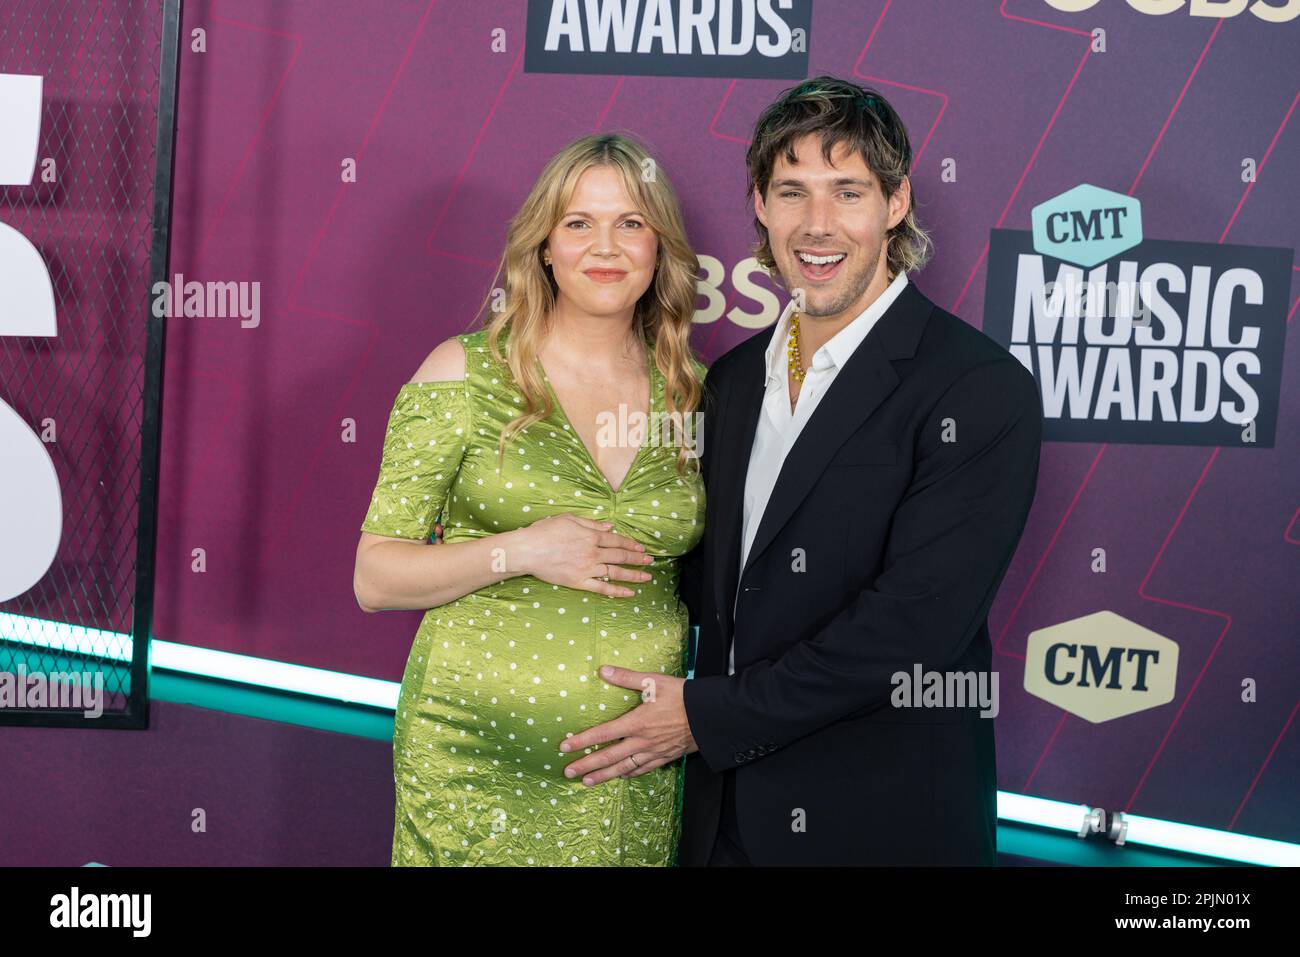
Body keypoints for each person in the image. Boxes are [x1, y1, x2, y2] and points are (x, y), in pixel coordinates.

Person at [558, 76, 1043, 866]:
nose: (817, 226)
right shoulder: (732, 379)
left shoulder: (978, 388)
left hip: (877, 825)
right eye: (792, 192)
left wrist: (705, 718)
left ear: (895, 203)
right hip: (720, 824)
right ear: (759, 204)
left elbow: (911, 631)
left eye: (847, 191)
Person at [352, 133, 708, 865]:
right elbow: (375, 577)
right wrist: (523, 548)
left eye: (631, 223)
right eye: (579, 223)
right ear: (544, 246)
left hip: (631, 765)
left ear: (659, 246)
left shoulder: (695, 394)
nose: (605, 246)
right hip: (473, 767)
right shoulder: (463, 372)